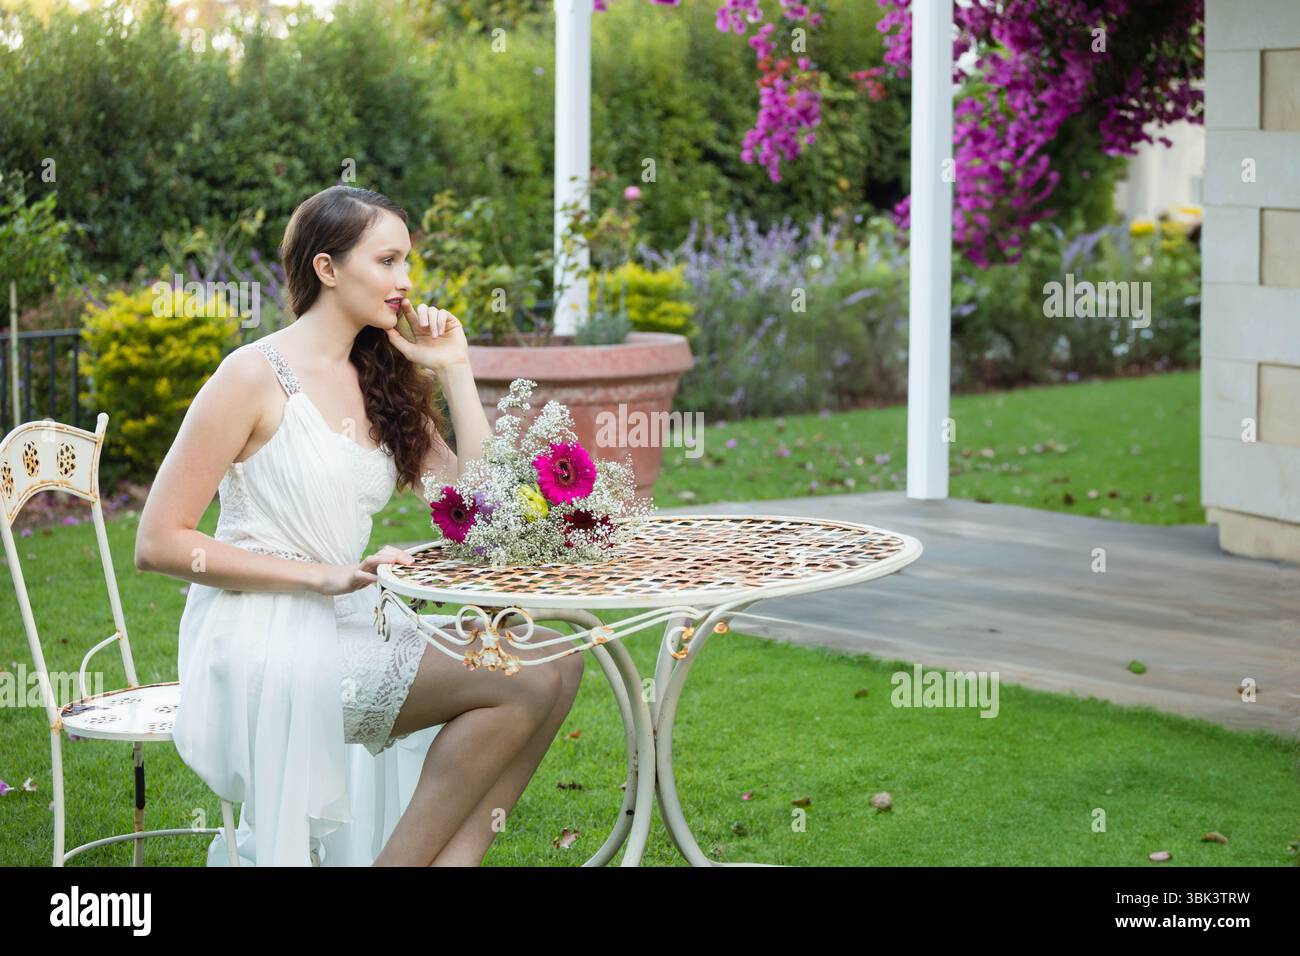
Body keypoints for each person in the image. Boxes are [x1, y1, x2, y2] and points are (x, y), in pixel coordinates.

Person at [134, 185, 584, 866]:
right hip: (259, 634)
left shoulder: (380, 376)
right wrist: (323, 576)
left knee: (561, 659)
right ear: (327, 268)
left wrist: (456, 370)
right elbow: (159, 541)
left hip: (346, 616)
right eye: (388, 260)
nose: (406, 282)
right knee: (522, 677)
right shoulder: (251, 376)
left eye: (408, 262)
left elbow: (481, 507)